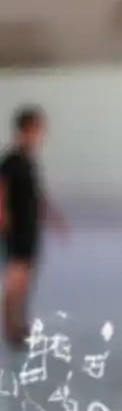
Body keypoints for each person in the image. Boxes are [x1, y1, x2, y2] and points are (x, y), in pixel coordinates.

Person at [0, 107, 67, 348]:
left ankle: (20, 322)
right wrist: (4, 218)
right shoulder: (12, 159)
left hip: (29, 227)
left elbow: (37, 195)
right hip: (16, 229)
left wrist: (54, 217)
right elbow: (2, 190)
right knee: (15, 280)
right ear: (27, 129)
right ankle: (10, 327)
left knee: (26, 279)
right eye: (39, 128)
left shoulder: (29, 160)